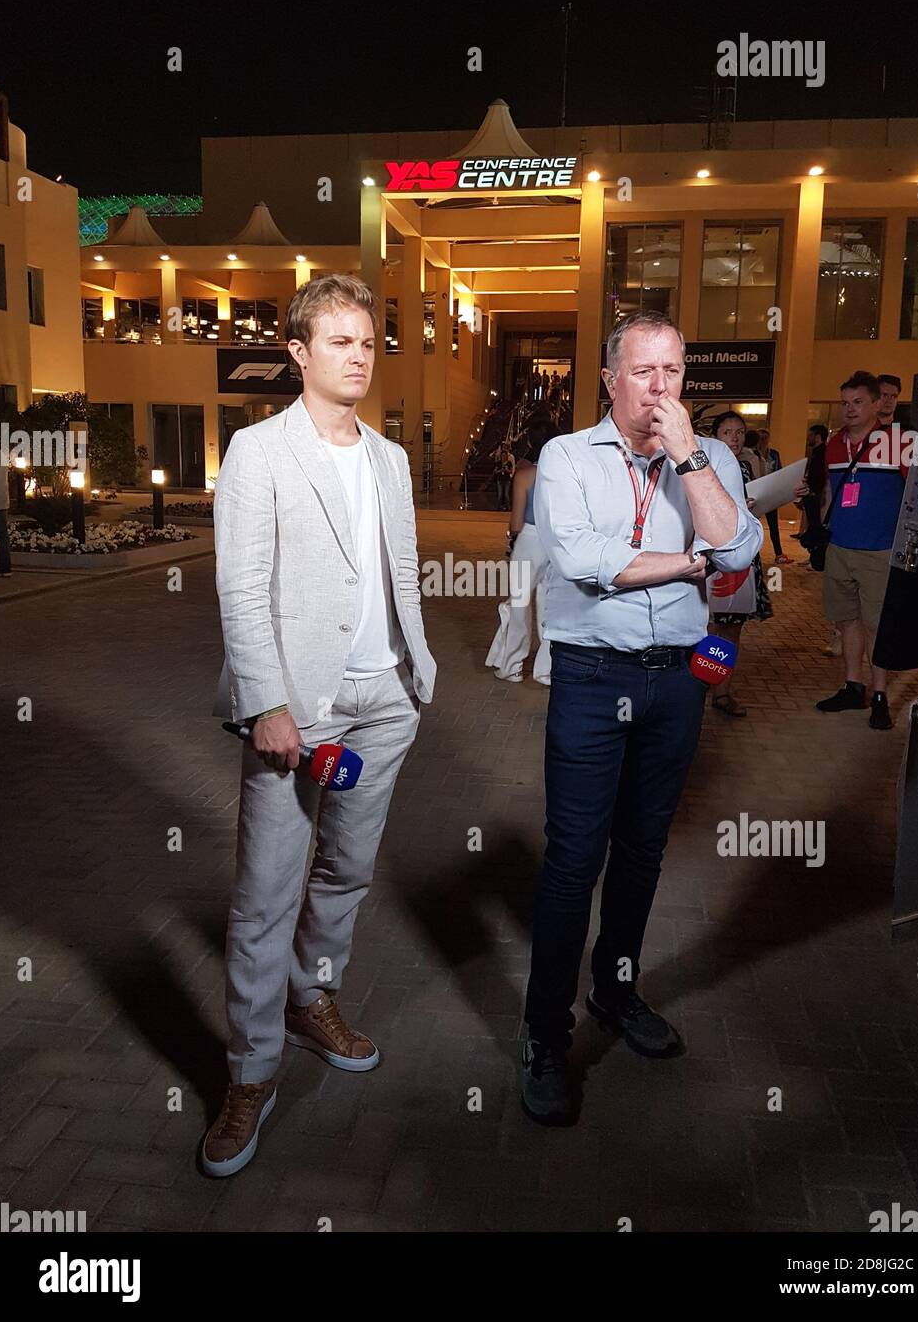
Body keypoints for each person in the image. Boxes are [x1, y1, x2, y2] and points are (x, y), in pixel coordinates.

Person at [204, 274, 436, 1177]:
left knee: (345, 873)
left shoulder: (390, 458)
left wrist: (415, 676)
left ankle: (315, 998)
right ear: (298, 353)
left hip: (383, 705)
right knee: (265, 892)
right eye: (338, 342)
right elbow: (240, 588)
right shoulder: (259, 451)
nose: (357, 357)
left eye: (367, 342)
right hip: (298, 710)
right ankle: (251, 1070)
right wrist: (267, 702)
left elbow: (403, 571)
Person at [522, 310, 762, 1125]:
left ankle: (614, 991)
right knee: (572, 861)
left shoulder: (712, 457)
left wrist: (690, 455)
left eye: (674, 371)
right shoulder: (565, 457)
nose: (662, 387)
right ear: (609, 378)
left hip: (681, 679)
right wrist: (694, 561)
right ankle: (543, 1035)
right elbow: (585, 561)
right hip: (591, 677)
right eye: (645, 371)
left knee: (643, 851)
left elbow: (741, 551)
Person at [815, 371, 907, 730]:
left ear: (876, 404)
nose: (849, 410)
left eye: (858, 402)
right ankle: (853, 687)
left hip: (879, 551)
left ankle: (879, 694)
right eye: (845, 403)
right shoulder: (834, 446)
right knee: (846, 621)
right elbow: (829, 493)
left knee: (876, 625)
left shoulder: (898, 443)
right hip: (840, 547)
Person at [707, 412, 774, 718]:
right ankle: (699, 685)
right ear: (714, 436)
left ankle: (722, 691)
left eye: (739, 432)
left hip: (744, 556)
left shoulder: (751, 465)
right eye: (727, 432)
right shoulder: (703, 466)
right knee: (709, 627)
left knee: (733, 628)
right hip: (711, 556)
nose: (734, 437)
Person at [485, 421, 557, 685]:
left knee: (518, 603)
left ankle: (513, 666)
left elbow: (516, 523)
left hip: (529, 539)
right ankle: (546, 671)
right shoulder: (565, 474)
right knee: (550, 606)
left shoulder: (525, 475)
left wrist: (512, 541)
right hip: (557, 541)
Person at [756, 428, 789, 564]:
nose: (763, 440)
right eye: (761, 437)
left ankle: (778, 553)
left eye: (765, 437)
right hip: (757, 492)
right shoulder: (752, 454)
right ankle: (753, 555)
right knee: (754, 526)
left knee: (773, 525)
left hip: (771, 492)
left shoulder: (774, 454)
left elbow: (779, 470)